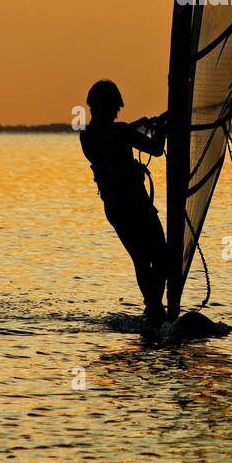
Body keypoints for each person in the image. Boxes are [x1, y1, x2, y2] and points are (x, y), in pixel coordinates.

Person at [79, 80, 172, 325]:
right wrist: (127, 131)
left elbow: (155, 149)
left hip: (139, 202)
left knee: (162, 255)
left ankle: (154, 308)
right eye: (105, 108)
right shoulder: (87, 137)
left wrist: (162, 127)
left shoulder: (122, 130)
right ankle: (153, 308)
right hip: (119, 207)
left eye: (112, 109)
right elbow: (98, 147)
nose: (111, 113)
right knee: (141, 257)